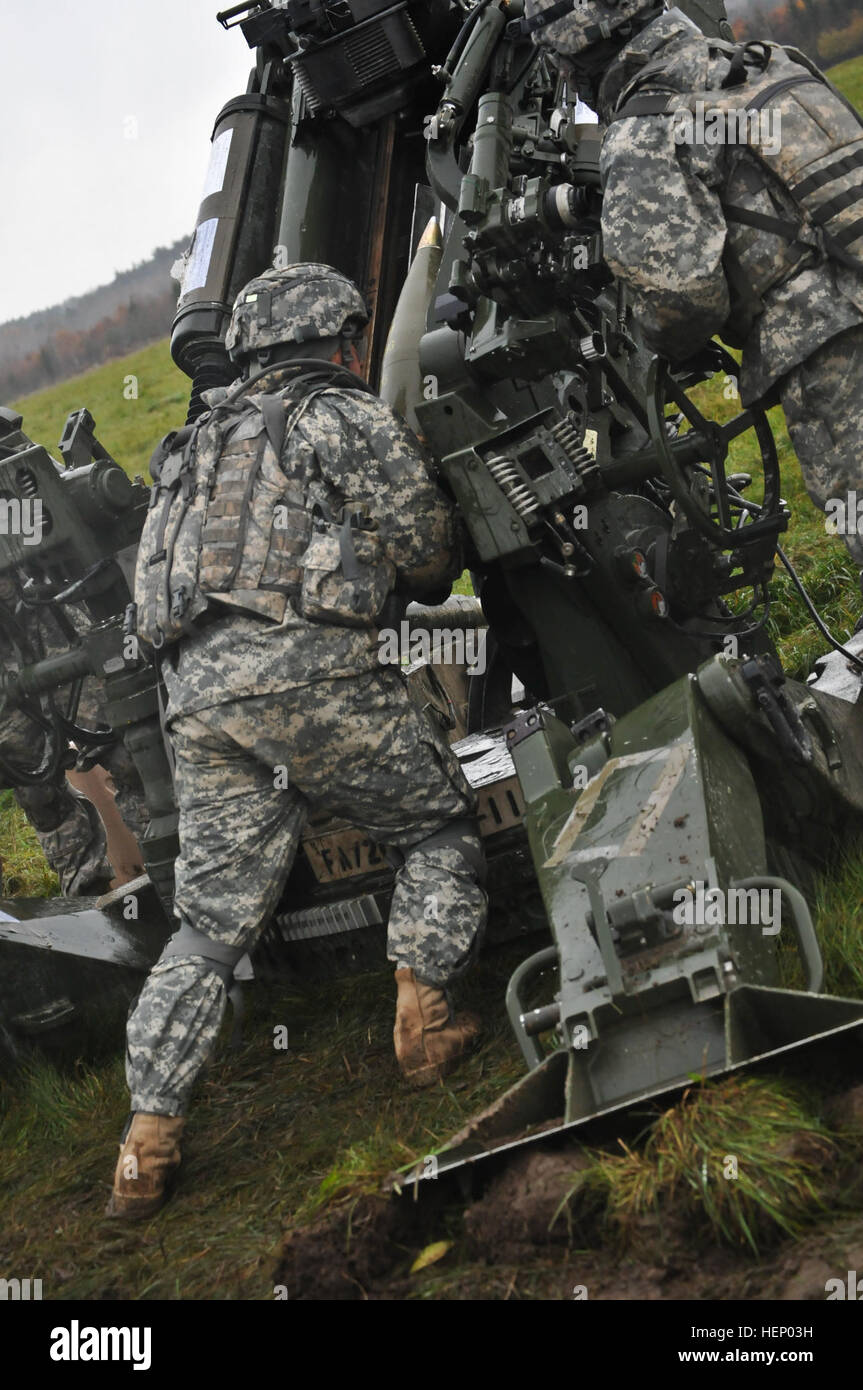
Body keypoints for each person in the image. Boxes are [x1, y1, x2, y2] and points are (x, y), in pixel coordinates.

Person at [105, 262, 488, 1219]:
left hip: (196, 706)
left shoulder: (189, 445)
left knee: (207, 930)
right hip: (307, 680)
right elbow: (427, 550)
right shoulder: (333, 412)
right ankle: (423, 1023)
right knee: (438, 831)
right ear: (344, 339)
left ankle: (144, 1148)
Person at [524, 0, 863, 567]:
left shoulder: (646, 123)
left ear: (570, 55)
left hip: (829, 352)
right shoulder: (764, 61)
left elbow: (681, 304)